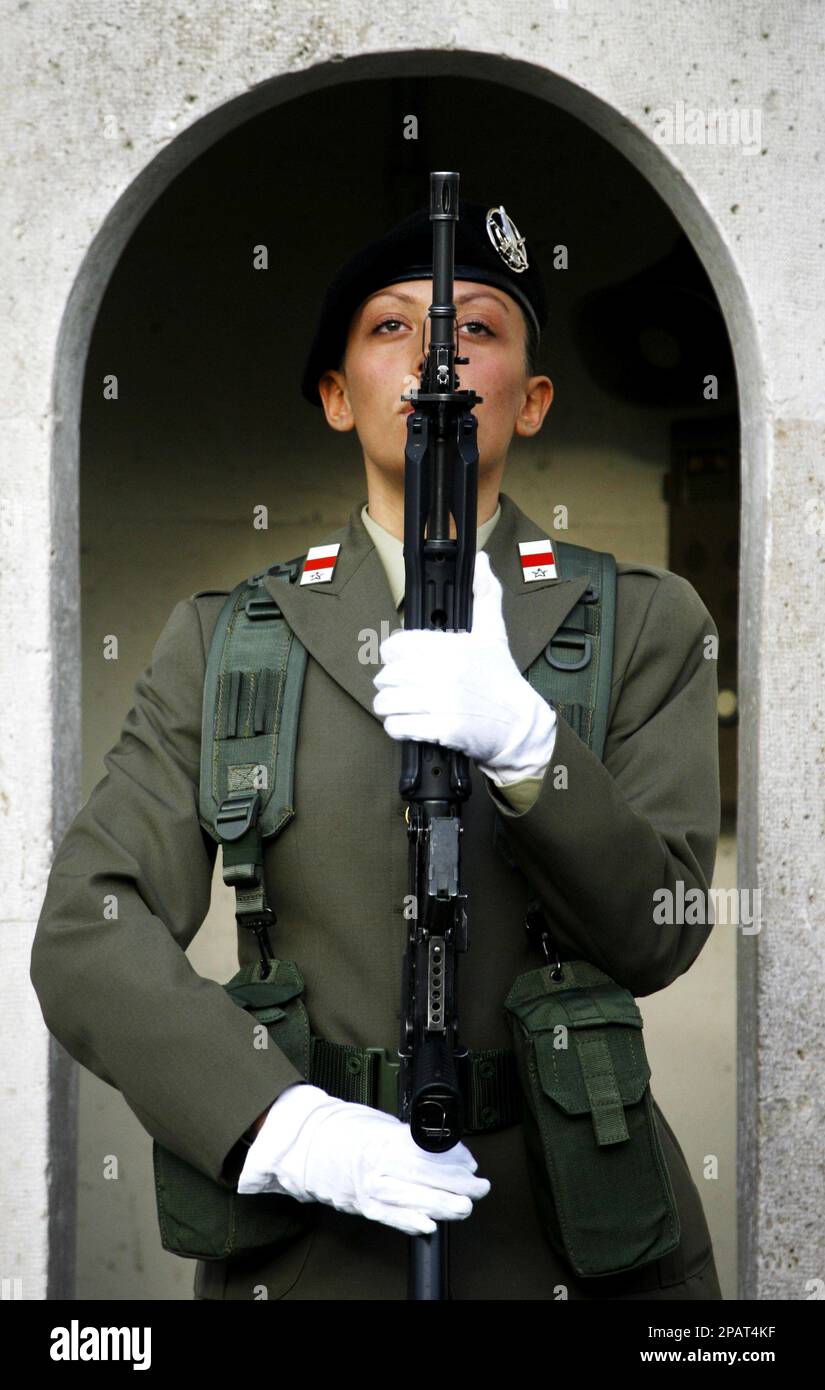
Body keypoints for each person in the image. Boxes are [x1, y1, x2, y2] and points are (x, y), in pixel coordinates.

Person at [31, 197, 723, 1301]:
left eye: (480, 329)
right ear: (335, 394)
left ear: (532, 400)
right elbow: (86, 928)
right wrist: (277, 1120)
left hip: (578, 1231)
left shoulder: (643, 620)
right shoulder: (227, 638)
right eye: (390, 328)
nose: (435, 358)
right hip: (313, 1236)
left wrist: (530, 750)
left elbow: (658, 934)